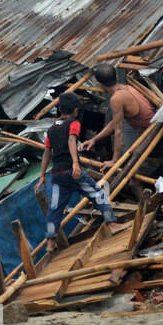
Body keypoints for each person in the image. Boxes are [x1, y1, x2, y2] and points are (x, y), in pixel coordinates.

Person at [38, 93, 127, 242]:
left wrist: (42, 176)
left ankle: (50, 242)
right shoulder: (73, 123)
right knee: (98, 194)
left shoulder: (51, 129)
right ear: (75, 110)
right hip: (72, 172)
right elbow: (72, 140)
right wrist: (75, 163)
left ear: (60, 109)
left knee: (54, 208)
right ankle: (112, 224)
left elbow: (47, 152)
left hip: (57, 174)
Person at [81, 64, 156, 161]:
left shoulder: (116, 98)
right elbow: (114, 123)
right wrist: (94, 139)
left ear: (100, 85)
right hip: (153, 134)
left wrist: (114, 160)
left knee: (130, 172)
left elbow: (118, 131)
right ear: (116, 77)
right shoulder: (126, 87)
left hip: (153, 139)